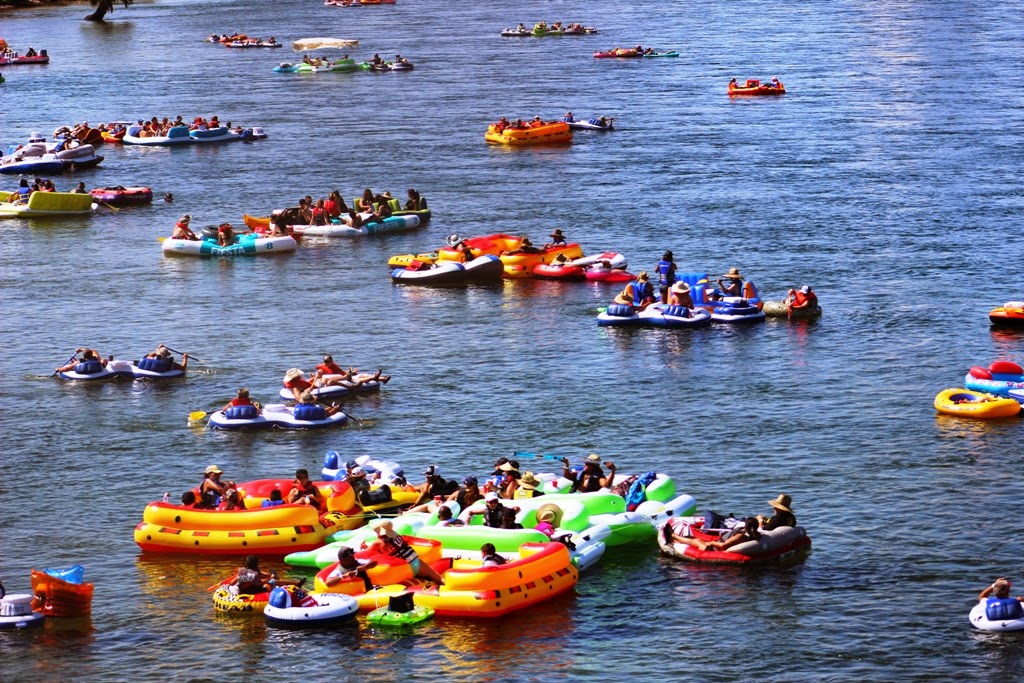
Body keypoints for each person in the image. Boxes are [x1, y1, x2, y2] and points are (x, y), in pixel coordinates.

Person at [369, 519, 445, 584]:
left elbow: (367, 553)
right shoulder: (397, 536)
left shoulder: (378, 543)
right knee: (438, 578)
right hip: (416, 562)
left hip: (405, 568)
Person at [228, 555, 305, 595]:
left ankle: (274, 576)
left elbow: (231, 583)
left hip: (243, 591)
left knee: (266, 579)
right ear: (256, 564)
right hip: (255, 591)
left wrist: (240, 577)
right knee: (274, 581)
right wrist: (271, 578)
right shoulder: (256, 573)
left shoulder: (240, 571)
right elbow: (260, 581)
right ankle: (297, 583)